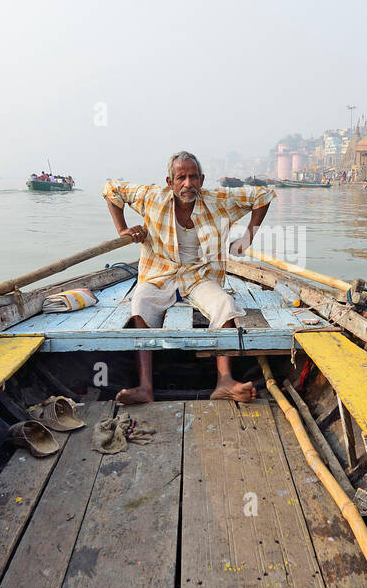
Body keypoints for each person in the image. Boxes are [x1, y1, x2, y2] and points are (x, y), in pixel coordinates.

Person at [103, 151, 273, 404]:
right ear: (169, 182)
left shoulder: (218, 200)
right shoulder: (152, 198)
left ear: (202, 180)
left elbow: (263, 196)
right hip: (160, 273)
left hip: (199, 275)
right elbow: (111, 189)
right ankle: (145, 388)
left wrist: (247, 238)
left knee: (226, 305)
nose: (188, 183)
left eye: (193, 177)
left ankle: (224, 382)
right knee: (140, 304)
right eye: (181, 177)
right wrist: (123, 229)